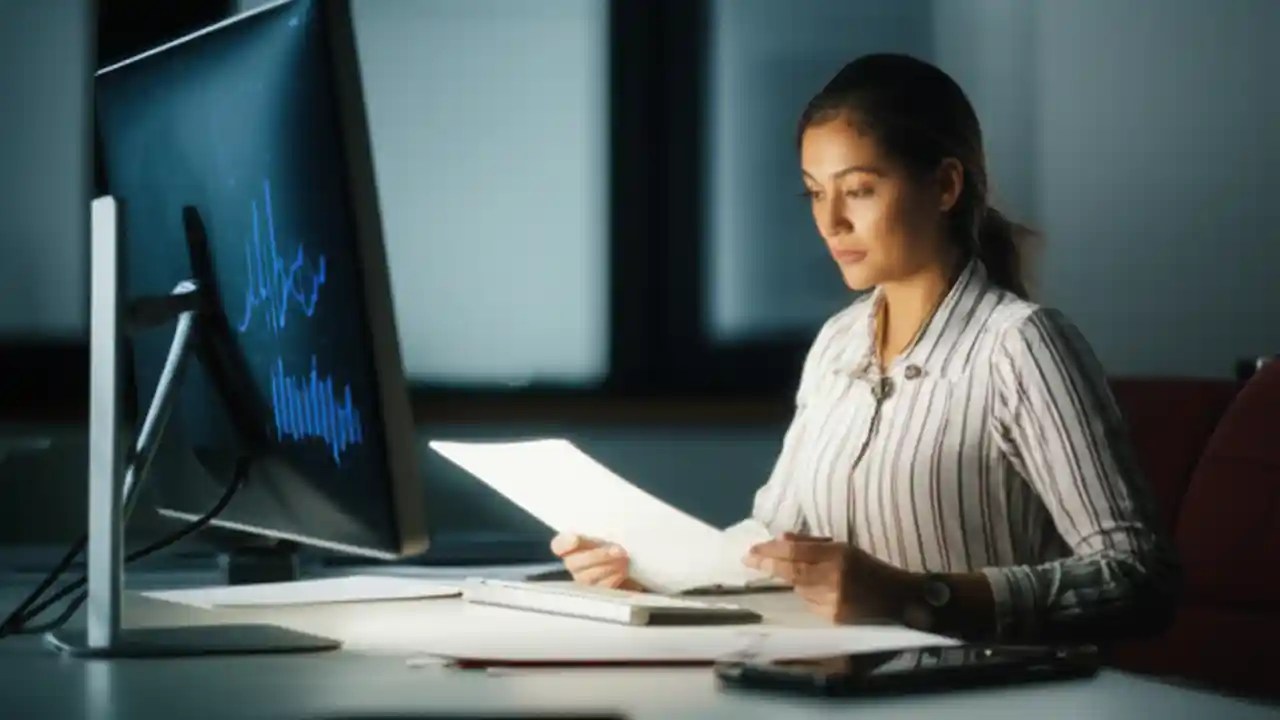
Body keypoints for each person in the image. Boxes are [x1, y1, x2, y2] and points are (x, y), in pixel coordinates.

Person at [551, 53, 1179, 643]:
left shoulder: (1020, 346)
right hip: (842, 683)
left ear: (945, 186)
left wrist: (917, 595)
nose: (830, 223)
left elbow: (1137, 578)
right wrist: (650, 574)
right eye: (815, 193)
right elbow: (777, 542)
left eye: (859, 190)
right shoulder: (838, 342)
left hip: (985, 694)